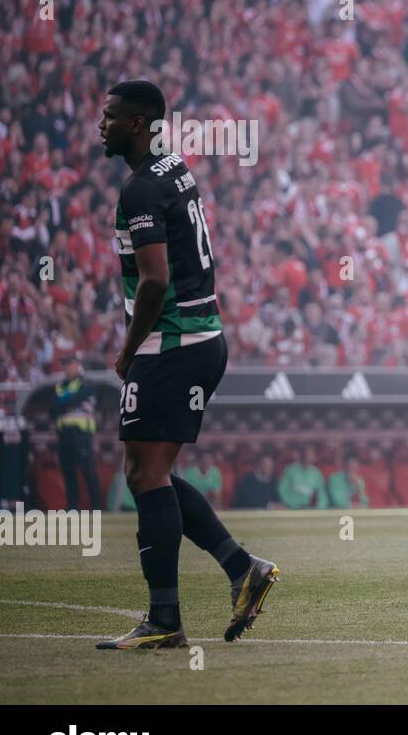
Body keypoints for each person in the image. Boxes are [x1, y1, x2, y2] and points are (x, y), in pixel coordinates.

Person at [93, 80, 279, 651]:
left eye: (113, 117)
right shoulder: (174, 168)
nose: (103, 125)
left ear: (142, 123)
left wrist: (129, 348)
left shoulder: (141, 188)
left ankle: (166, 619)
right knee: (150, 472)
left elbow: (154, 281)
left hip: (172, 342)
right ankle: (240, 568)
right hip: (197, 336)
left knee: (146, 473)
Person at [51, 353, 103, 510]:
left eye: (69, 364)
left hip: (81, 433)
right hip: (63, 433)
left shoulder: (87, 383)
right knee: (68, 470)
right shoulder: (59, 386)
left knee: (88, 470)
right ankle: (72, 506)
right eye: (64, 365)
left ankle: (96, 507)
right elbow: (52, 410)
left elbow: (79, 397)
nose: (66, 368)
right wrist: (69, 401)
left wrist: (64, 403)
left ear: (77, 364)